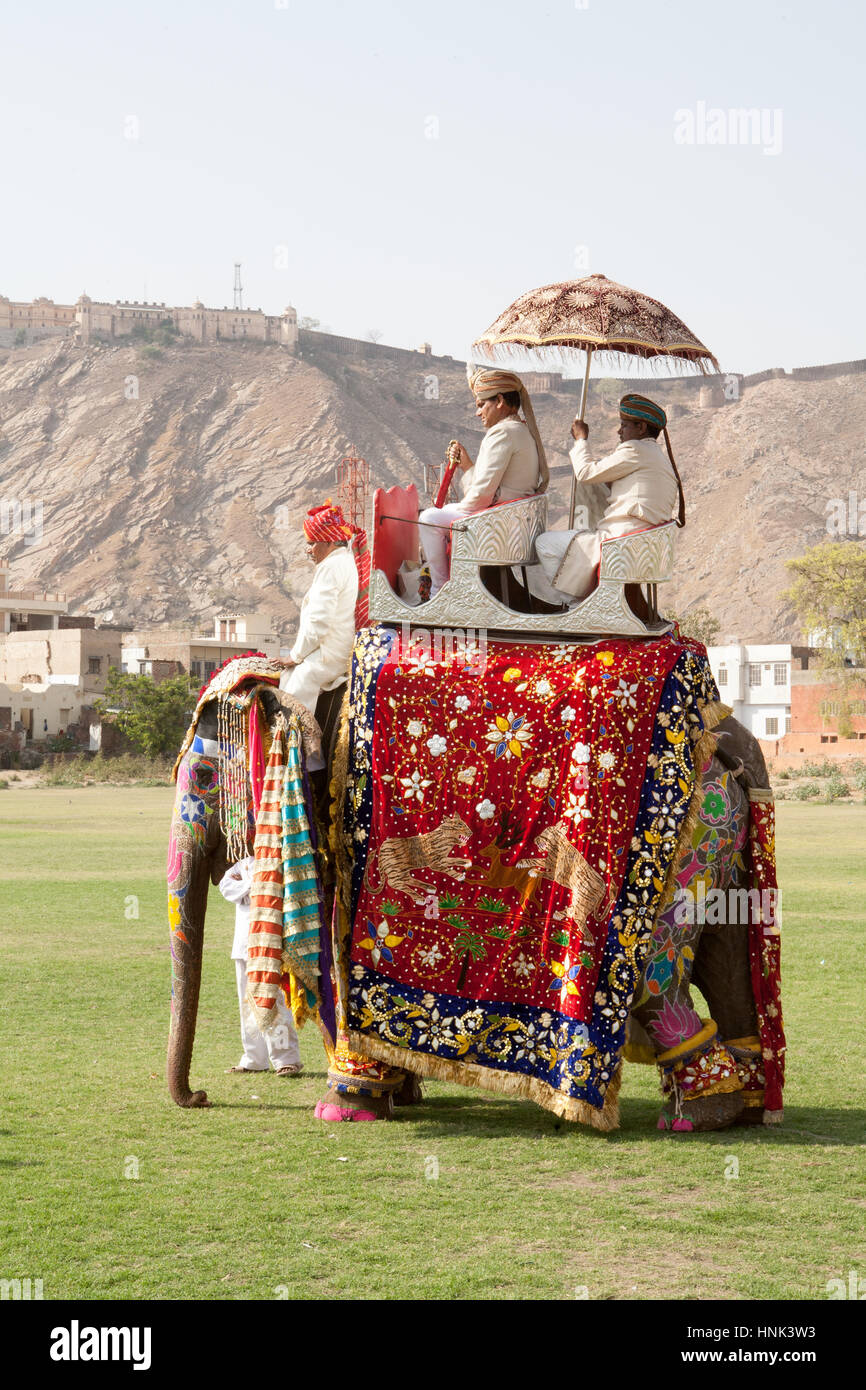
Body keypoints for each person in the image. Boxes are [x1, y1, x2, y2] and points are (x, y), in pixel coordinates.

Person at [533, 393, 683, 603]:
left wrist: (581, 440)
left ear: (641, 428)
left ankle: (576, 606)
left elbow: (585, 473)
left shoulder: (635, 449)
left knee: (544, 543)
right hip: (640, 545)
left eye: (624, 425)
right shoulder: (657, 456)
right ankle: (584, 602)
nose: (619, 431)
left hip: (619, 542)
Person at [417, 368, 548, 596]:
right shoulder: (519, 430)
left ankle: (440, 590)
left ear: (500, 401)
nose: (478, 413)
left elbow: (481, 496)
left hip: (501, 528)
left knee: (429, 519)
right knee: (442, 513)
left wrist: (453, 512)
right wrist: (467, 466)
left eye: (481, 405)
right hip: (515, 524)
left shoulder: (503, 432)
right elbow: (488, 488)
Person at [277, 500, 369, 767]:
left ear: (328, 542)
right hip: (336, 646)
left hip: (330, 652)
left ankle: (304, 762)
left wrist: (295, 656)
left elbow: (318, 622)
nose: (309, 550)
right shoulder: (344, 561)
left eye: (312, 543)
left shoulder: (330, 567)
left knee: (294, 687)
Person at [219, 855, 304, 1076]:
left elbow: (278, 891)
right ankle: (254, 1059)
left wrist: (249, 885)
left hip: (270, 944)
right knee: (247, 1005)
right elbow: (226, 887)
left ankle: (286, 1059)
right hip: (243, 945)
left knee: (274, 1002)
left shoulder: (280, 859)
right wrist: (255, 884)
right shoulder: (243, 863)